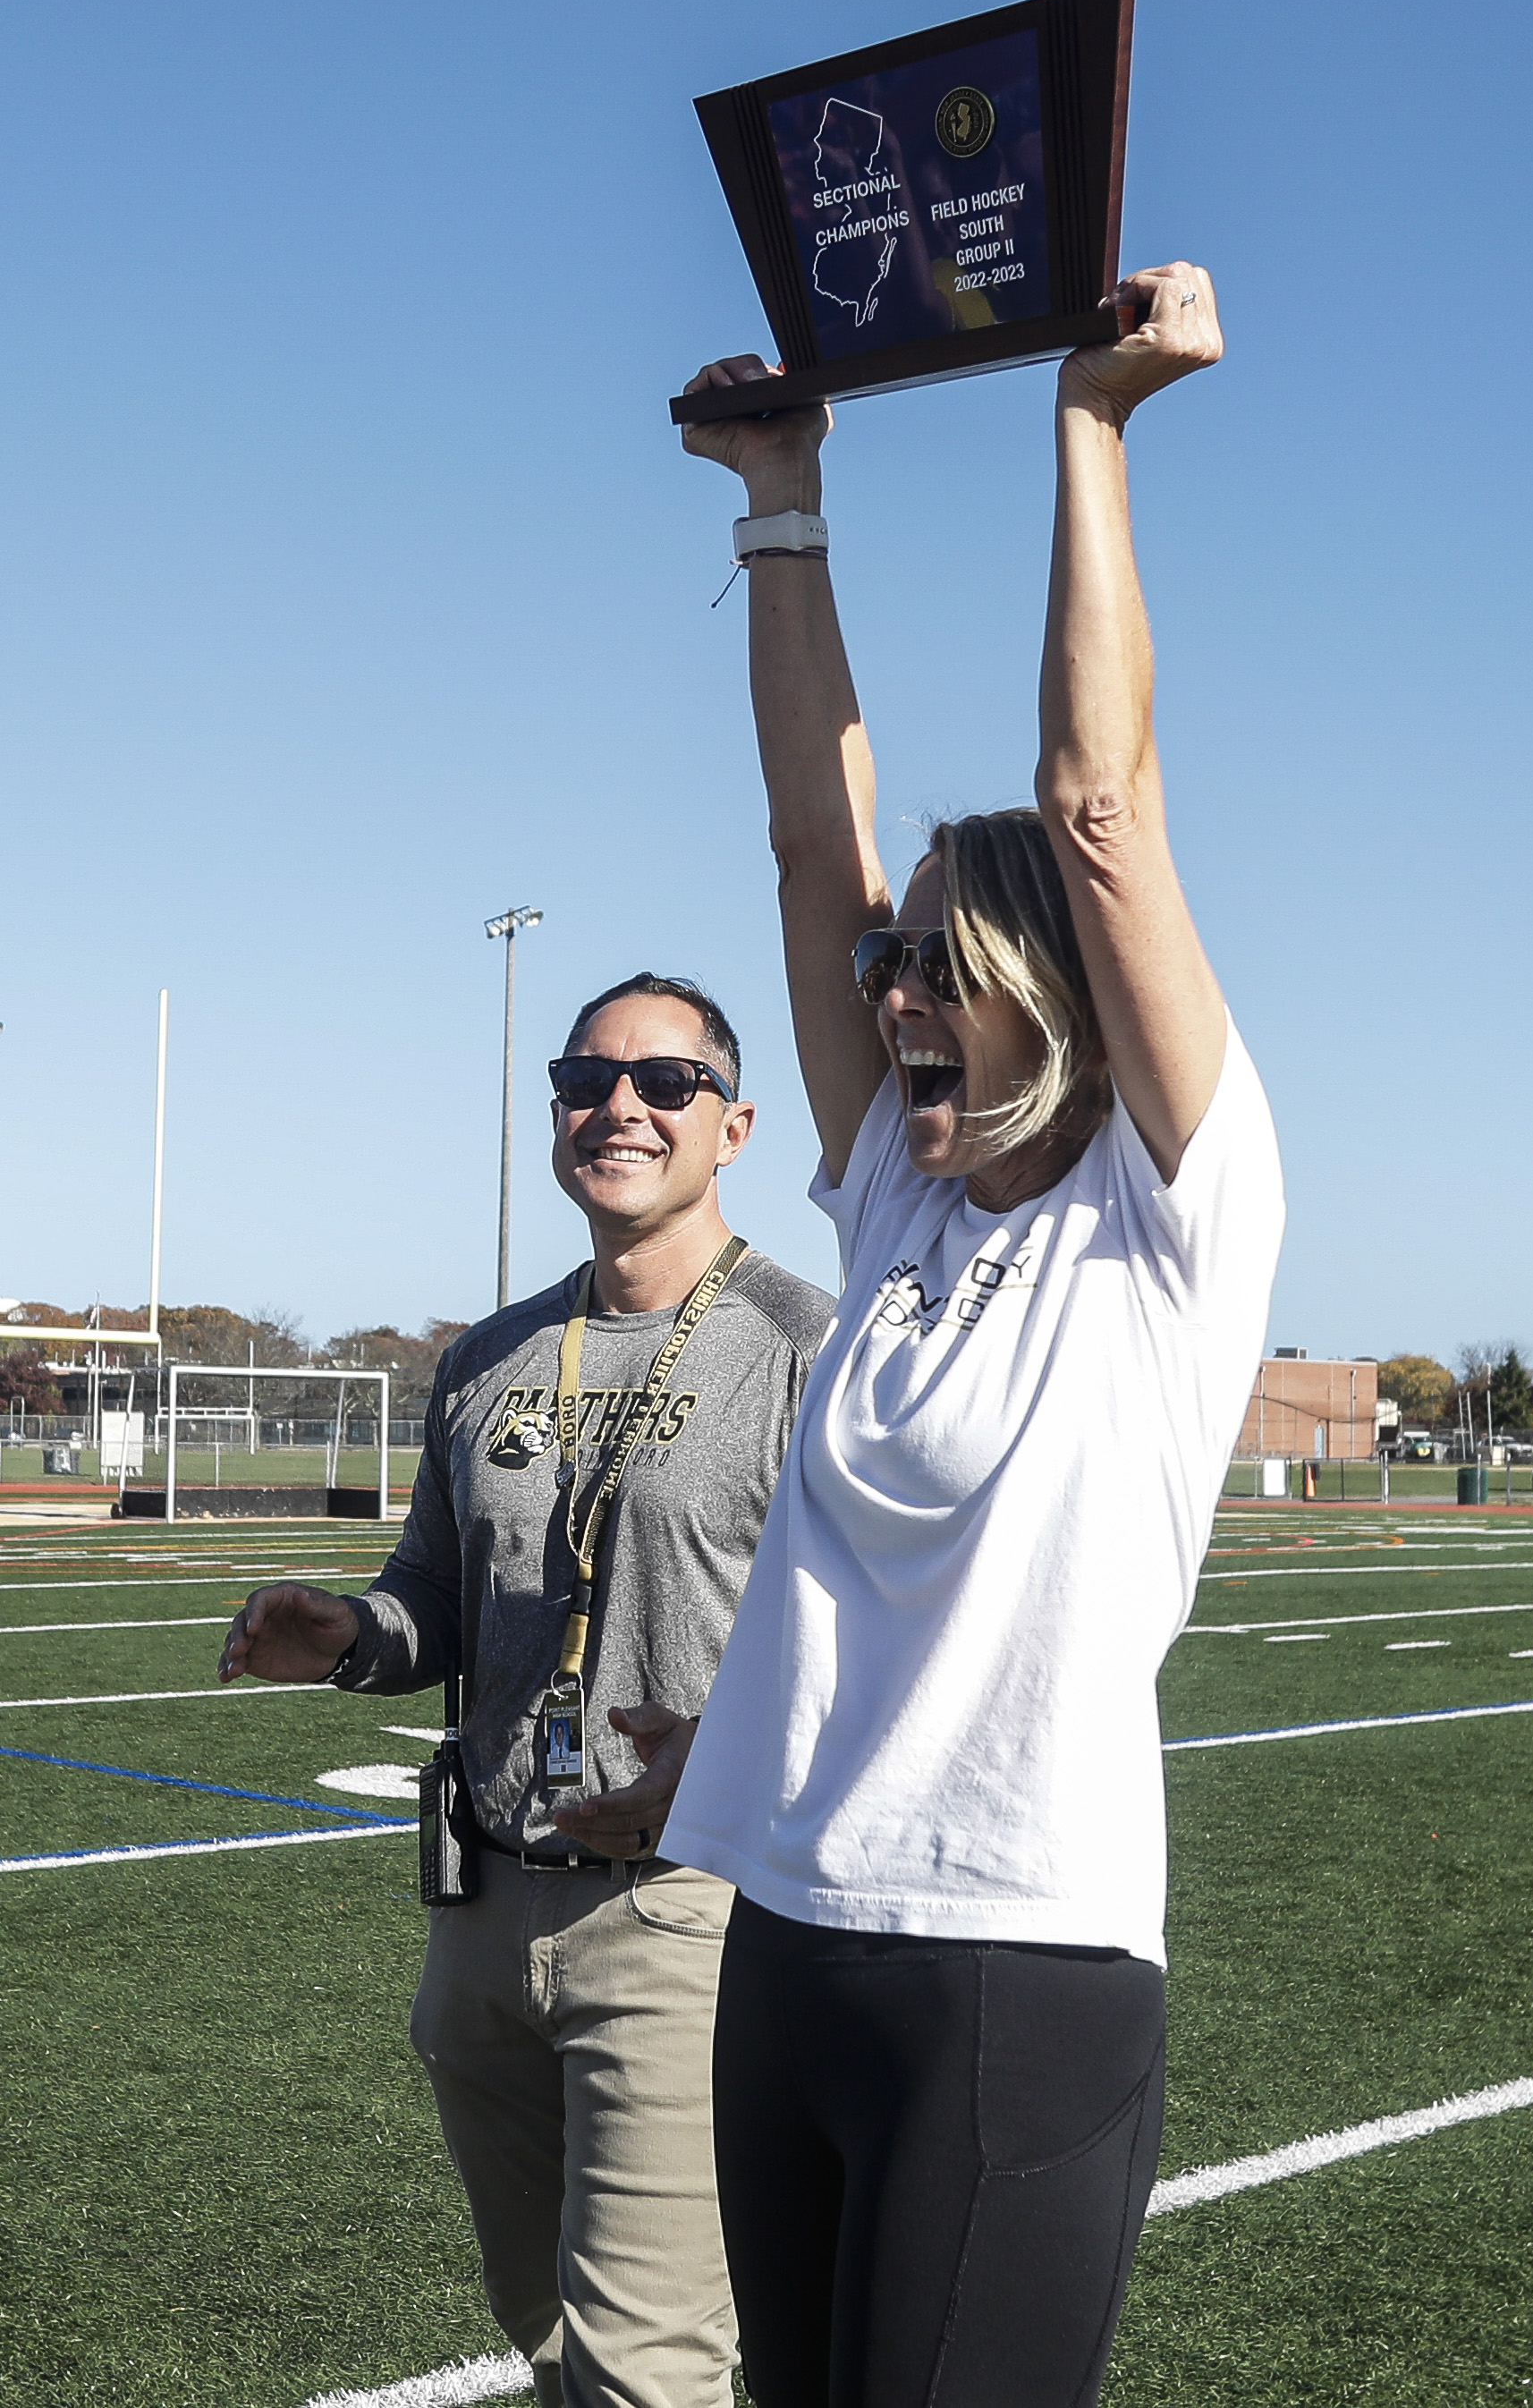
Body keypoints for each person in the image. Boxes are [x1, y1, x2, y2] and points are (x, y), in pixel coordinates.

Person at [662, 264, 1285, 2408]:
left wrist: (1088, 422)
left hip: (1019, 1965)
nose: (890, 987)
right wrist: (778, 495)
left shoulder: (1173, 1213)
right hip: (791, 1939)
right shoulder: (901, 1194)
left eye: (938, 960)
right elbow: (804, 835)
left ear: (1051, 978)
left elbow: (1100, 808)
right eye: (886, 961)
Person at [218, 971, 834, 2408]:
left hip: (687, 1912)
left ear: (731, 1123)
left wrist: (727, 1754)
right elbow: (432, 1595)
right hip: (483, 1908)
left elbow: (862, 1638)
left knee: (642, 2364)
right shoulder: (487, 1355)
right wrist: (349, 1633)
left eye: (663, 1082)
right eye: (585, 1078)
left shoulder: (812, 1339)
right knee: (545, 2328)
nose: (617, 1105)